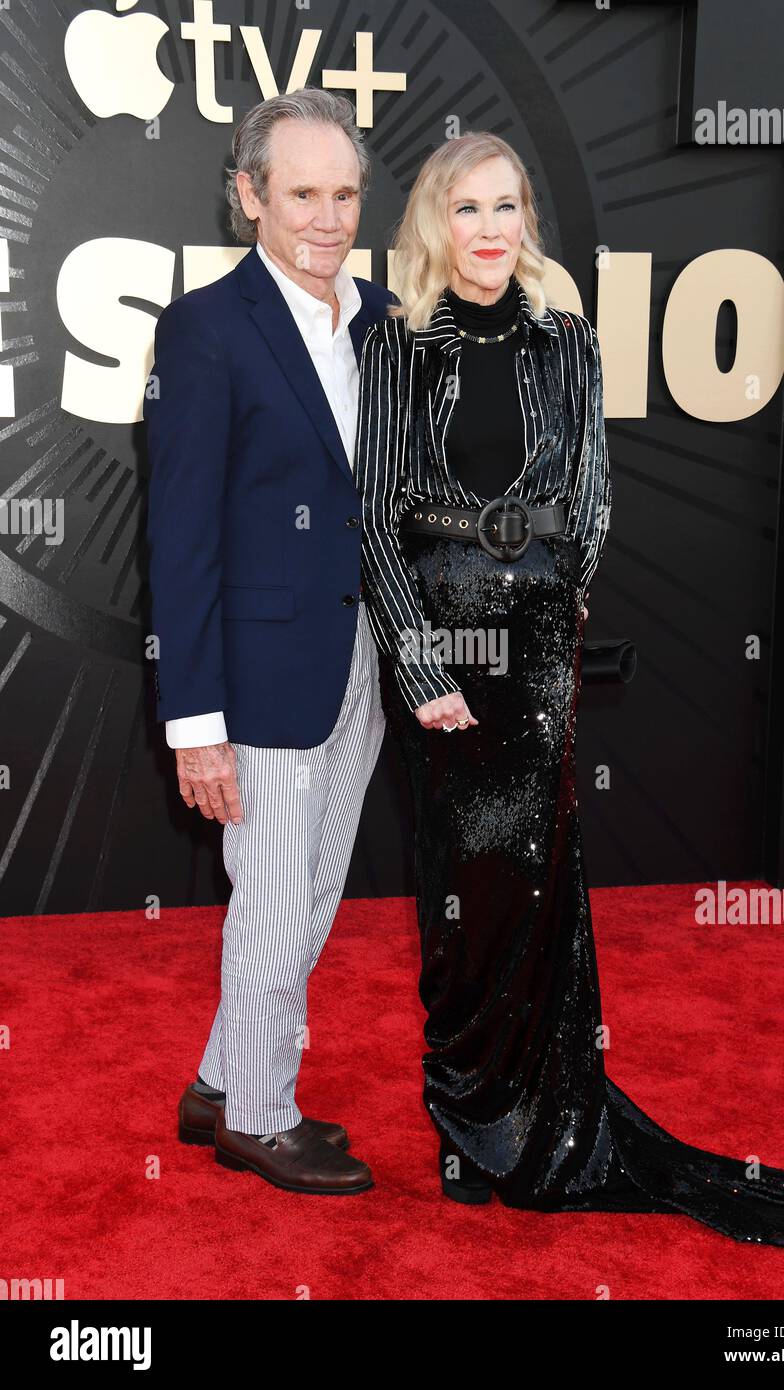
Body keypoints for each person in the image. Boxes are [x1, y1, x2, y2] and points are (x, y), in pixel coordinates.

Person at [352, 131, 784, 1249]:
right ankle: (463, 1119)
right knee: (458, 886)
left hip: (537, 647)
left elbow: (593, 501)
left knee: (535, 885)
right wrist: (417, 654)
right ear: (436, 224)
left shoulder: (570, 342)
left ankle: (541, 1114)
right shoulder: (398, 342)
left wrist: (550, 608)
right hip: (440, 640)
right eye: (466, 208)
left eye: (506, 206)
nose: (489, 229)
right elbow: (373, 516)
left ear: (526, 217)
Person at [145, 89, 391, 1194]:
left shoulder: (381, 320)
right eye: (302, 194)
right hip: (255, 683)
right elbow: (181, 540)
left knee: (314, 900)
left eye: (343, 193)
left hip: (361, 670)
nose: (327, 218)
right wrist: (196, 726)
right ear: (249, 196)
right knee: (277, 903)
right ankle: (258, 1113)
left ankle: (214, 1082)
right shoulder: (205, 329)